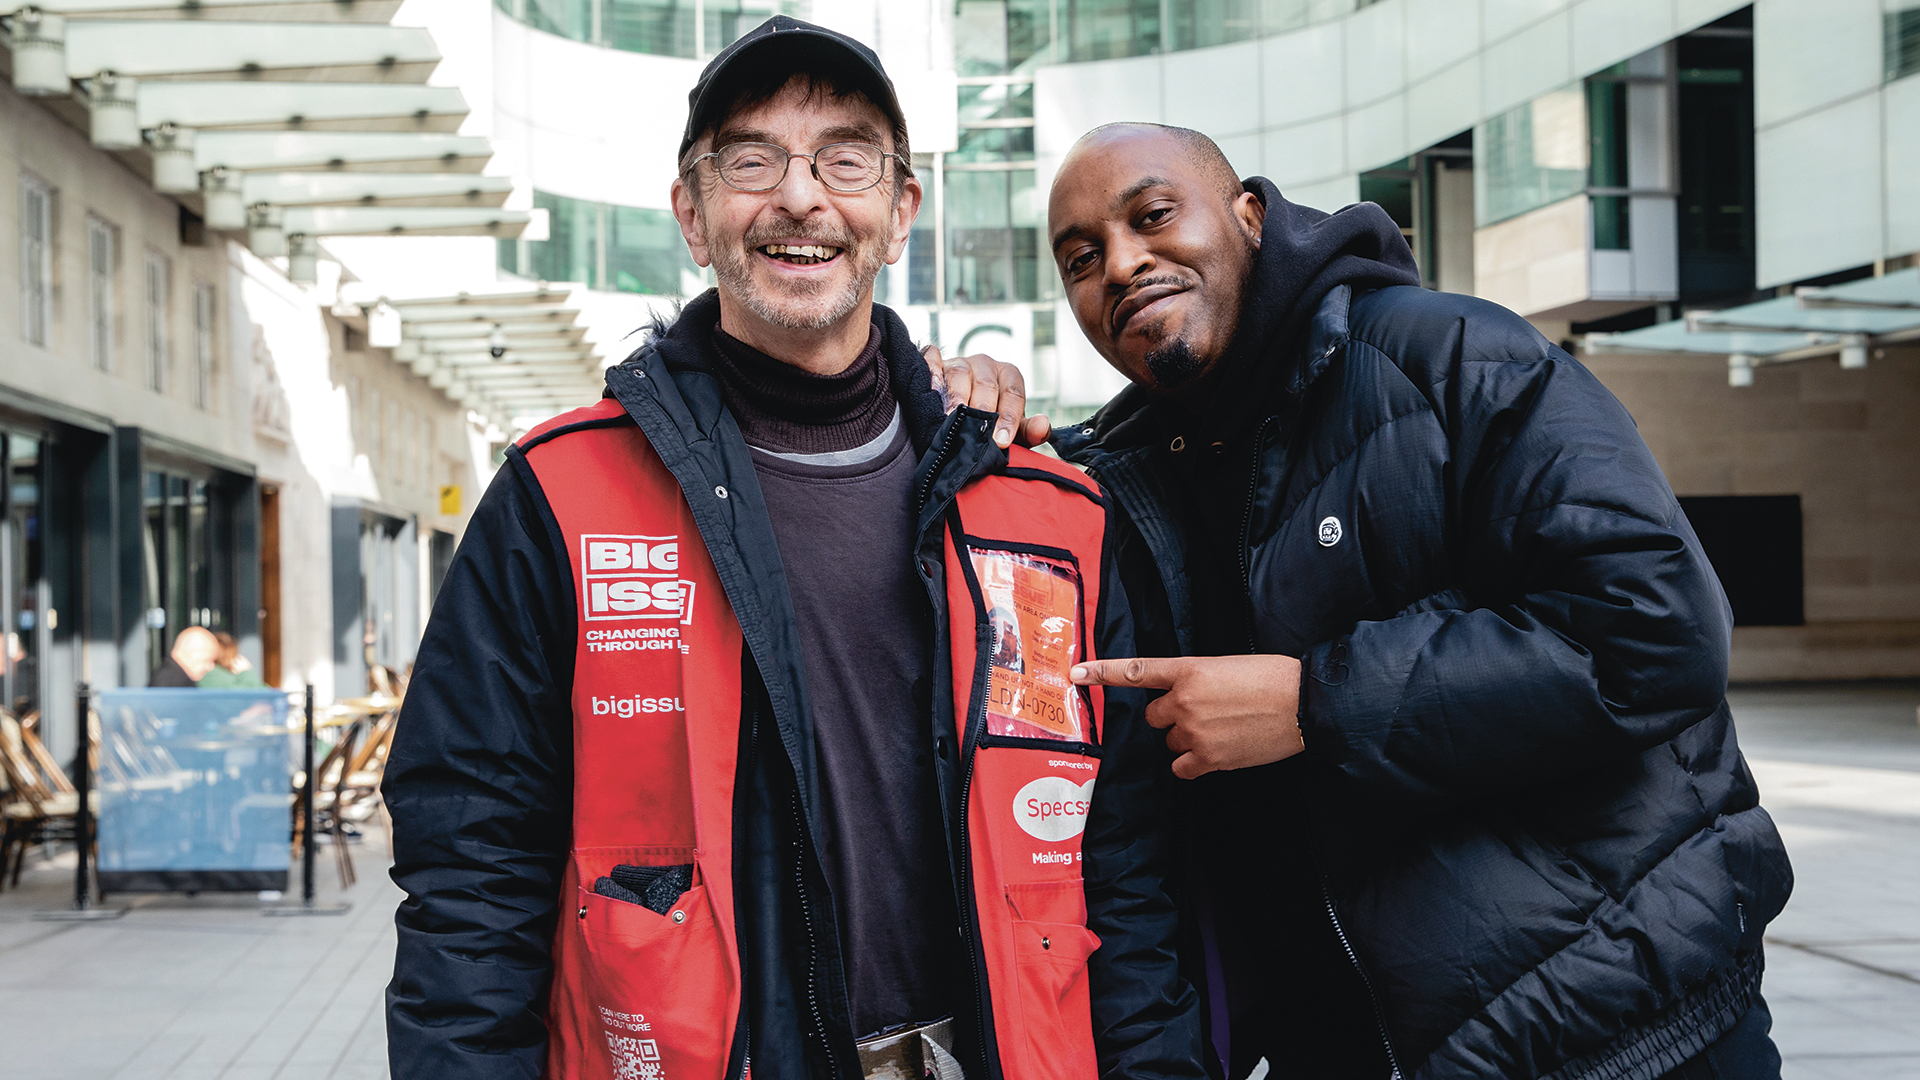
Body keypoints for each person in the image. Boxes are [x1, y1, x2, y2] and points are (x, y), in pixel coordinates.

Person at [383, 23, 1202, 1080]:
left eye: (845, 158)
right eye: (752, 159)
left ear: (900, 211)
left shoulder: (1046, 512)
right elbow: (471, 872)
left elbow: (1125, 873)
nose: (802, 198)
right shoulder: (557, 495)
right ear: (692, 211)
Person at [946, 123, 1794, 1080]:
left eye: (1152, 217)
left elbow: (1658, 628)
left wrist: (1314, 704)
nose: (1124, 264)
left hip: (1621, 1038)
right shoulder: (1126, 490)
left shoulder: (1454, 358)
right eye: (1082, 258)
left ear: (1250, 216)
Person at [149, 626, 219, 688]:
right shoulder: (174, 685)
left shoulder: (168, 679)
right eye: (208, 660)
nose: (210, 667)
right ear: (193, 655)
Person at [197, 632, 266, 688]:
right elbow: (253, 694)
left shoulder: (226, 675)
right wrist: (246, 672)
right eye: (234, 654)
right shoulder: (212, 675)